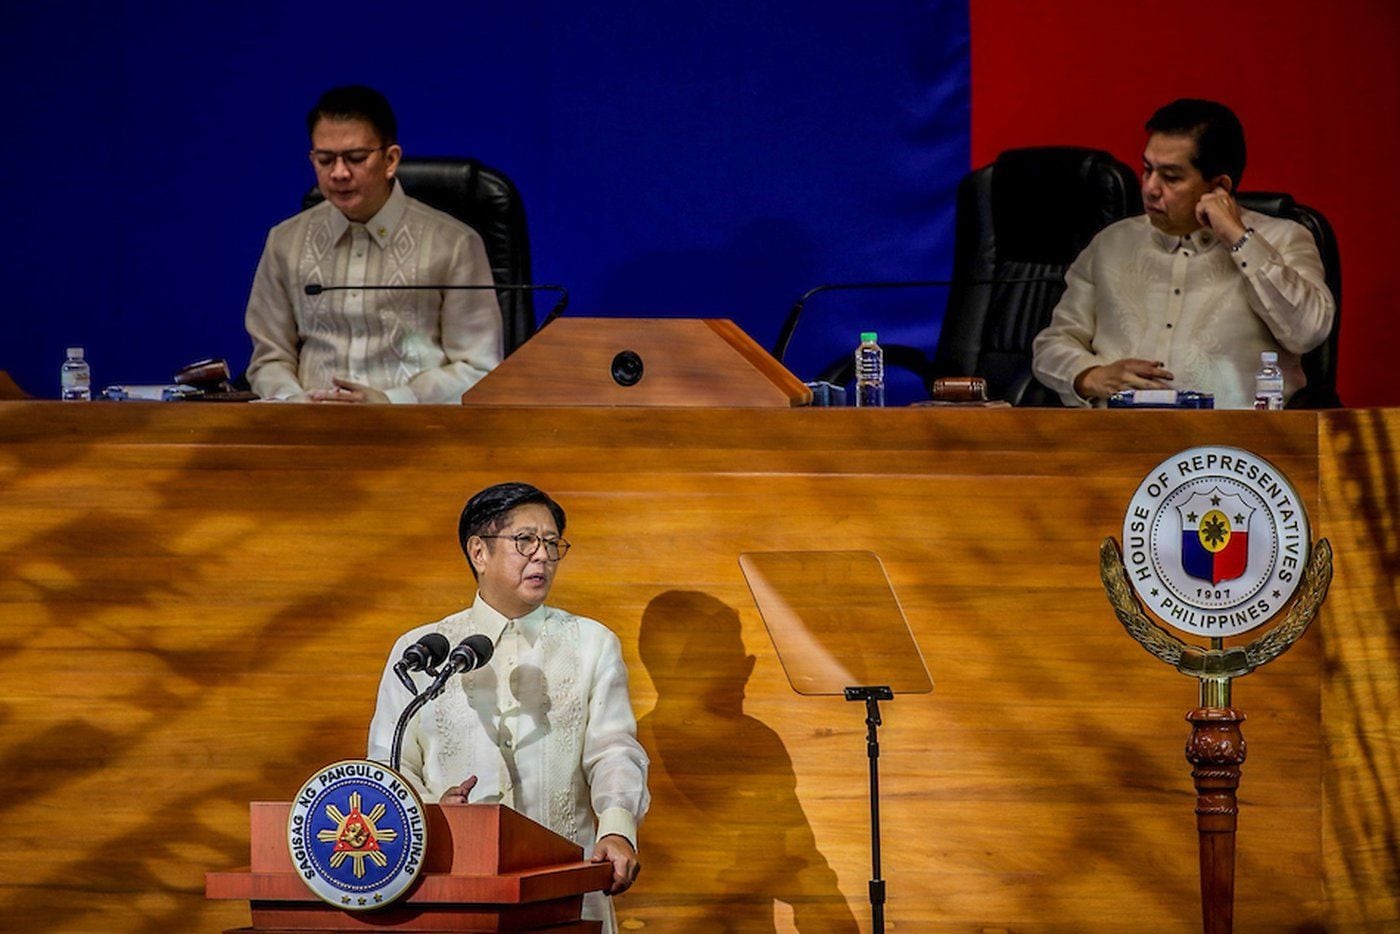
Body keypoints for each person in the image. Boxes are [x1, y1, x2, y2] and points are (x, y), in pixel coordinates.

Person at [367, 482, 649, 931]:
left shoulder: (592, 643)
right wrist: (433, 810)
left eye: (552, 543)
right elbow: (388, 763)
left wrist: (616, 828)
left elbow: (614, 749)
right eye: (525, 541)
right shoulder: (421, 650)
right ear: (479, 553)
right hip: (449, 886)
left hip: (563, 887)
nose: (542, 555)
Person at [1032, 99, 1335, 409]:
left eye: (1171, 177)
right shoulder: (1111, 243)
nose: (1150, 188)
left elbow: (1307, 332)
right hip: (1116, 440)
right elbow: (1052, 344)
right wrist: (1090, 376)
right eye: (1147, 169)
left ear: (1219, 186)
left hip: (1230, 446)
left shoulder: (1284, 238)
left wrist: (1238, 238)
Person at [244, 85, 503, 403]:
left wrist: (393, 401)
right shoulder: (284, 243)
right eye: (325, 160)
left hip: (417, 435)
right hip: (308, 434)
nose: (339, 173)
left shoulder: (453, 245)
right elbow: (269, 360)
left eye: (355, 158)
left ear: (390, 159)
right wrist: (294, 402)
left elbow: (478, 368)